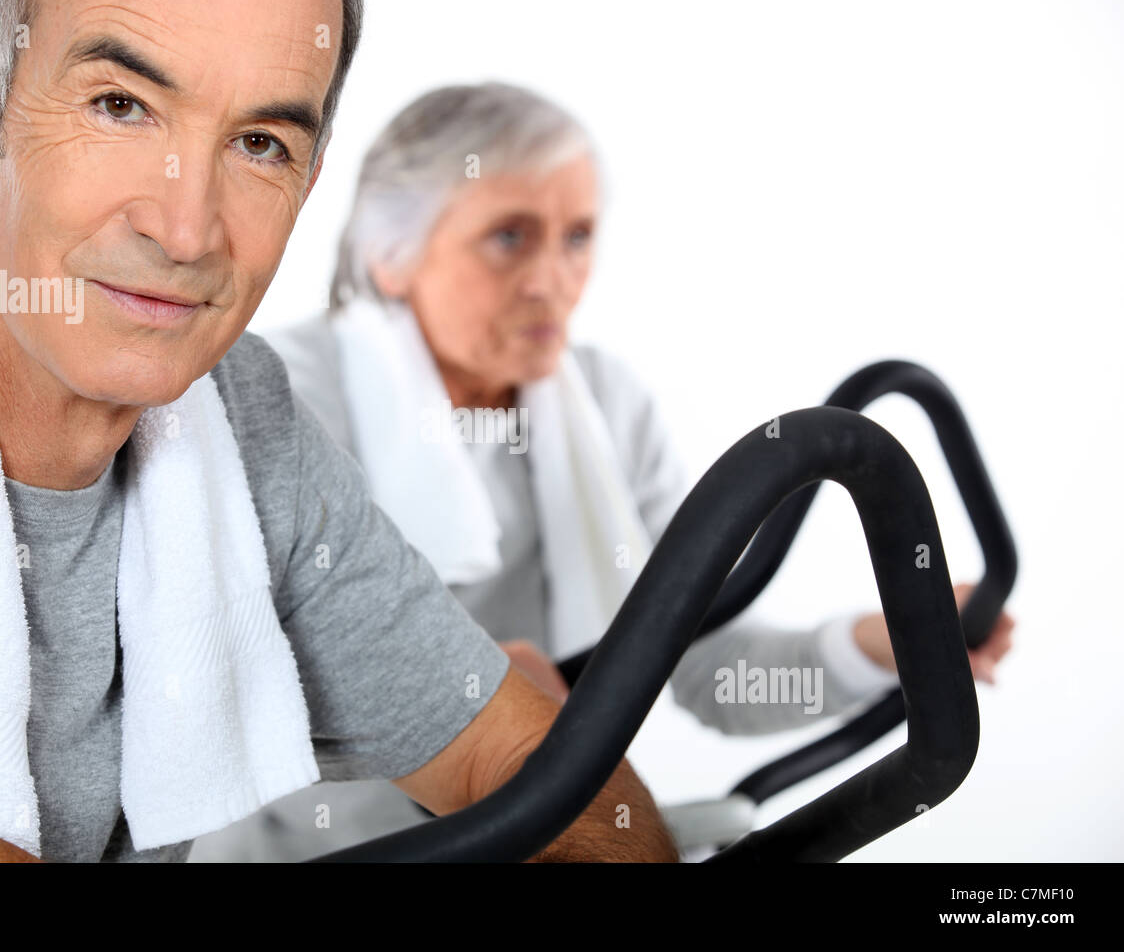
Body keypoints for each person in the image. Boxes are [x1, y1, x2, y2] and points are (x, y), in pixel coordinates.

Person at [0, 0, 679, 863]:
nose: (187, 230)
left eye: (259, 144)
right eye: (120, 105)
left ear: (310, 183)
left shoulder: (238, 423)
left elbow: (561, 784)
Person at [189, 82, 1016, 860]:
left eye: (576, 237)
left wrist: (880, 645)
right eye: (509, 236)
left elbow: (701, 664)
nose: (552, 281)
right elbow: (198, 679)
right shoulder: (277, 395)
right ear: (390, 254)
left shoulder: (608, 406)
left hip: (534, 822)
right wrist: (458, 693)